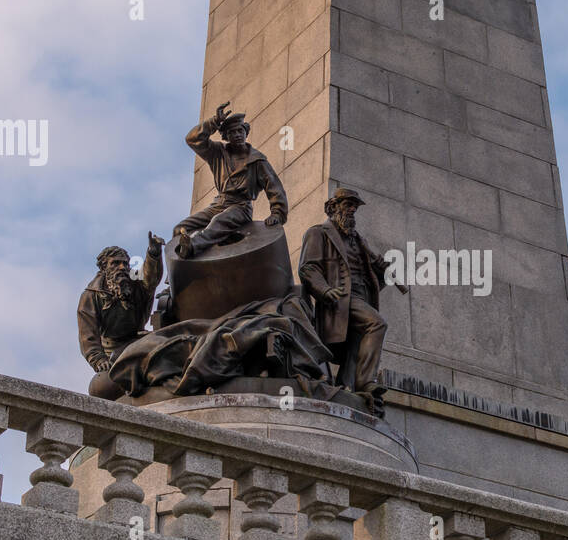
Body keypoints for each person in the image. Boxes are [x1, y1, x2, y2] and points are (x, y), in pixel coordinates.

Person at [298, 188, 405, 414]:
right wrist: (325, 291)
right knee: (377, 323)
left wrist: (382, 273)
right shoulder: (319, 233)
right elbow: (308, 268)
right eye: (348, 205)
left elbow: (369, 277)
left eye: (355, 206)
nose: (353, 210)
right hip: (340, 299)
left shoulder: (359, 240)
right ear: (333, 207)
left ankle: (348, 388)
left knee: (356, 345)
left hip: (362, 297)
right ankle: (366, 382)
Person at [173, 103, 287, 259]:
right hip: (218, 204)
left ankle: (192, 245)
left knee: (218, 222)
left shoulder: (257, 160)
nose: (238, 135)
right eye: (233, 133)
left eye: (240, 131)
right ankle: (177, 272)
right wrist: (214, 121)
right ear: (226, 137)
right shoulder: (218, 153)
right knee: (180, 228)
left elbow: (274, 188)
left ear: (246, 132)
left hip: (240, 207)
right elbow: (192, 139)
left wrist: (277, 213)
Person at [77, 234, 164, 399]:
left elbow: (150, 279)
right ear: (104, 268)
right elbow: (87, 335)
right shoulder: (91, 296)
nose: (122, 267)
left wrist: (153, 254)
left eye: (125, 263)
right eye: (115, 263)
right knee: (104, 384)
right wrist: (98, 359)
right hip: (113, 350)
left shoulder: (134, 282)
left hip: (138, 340)